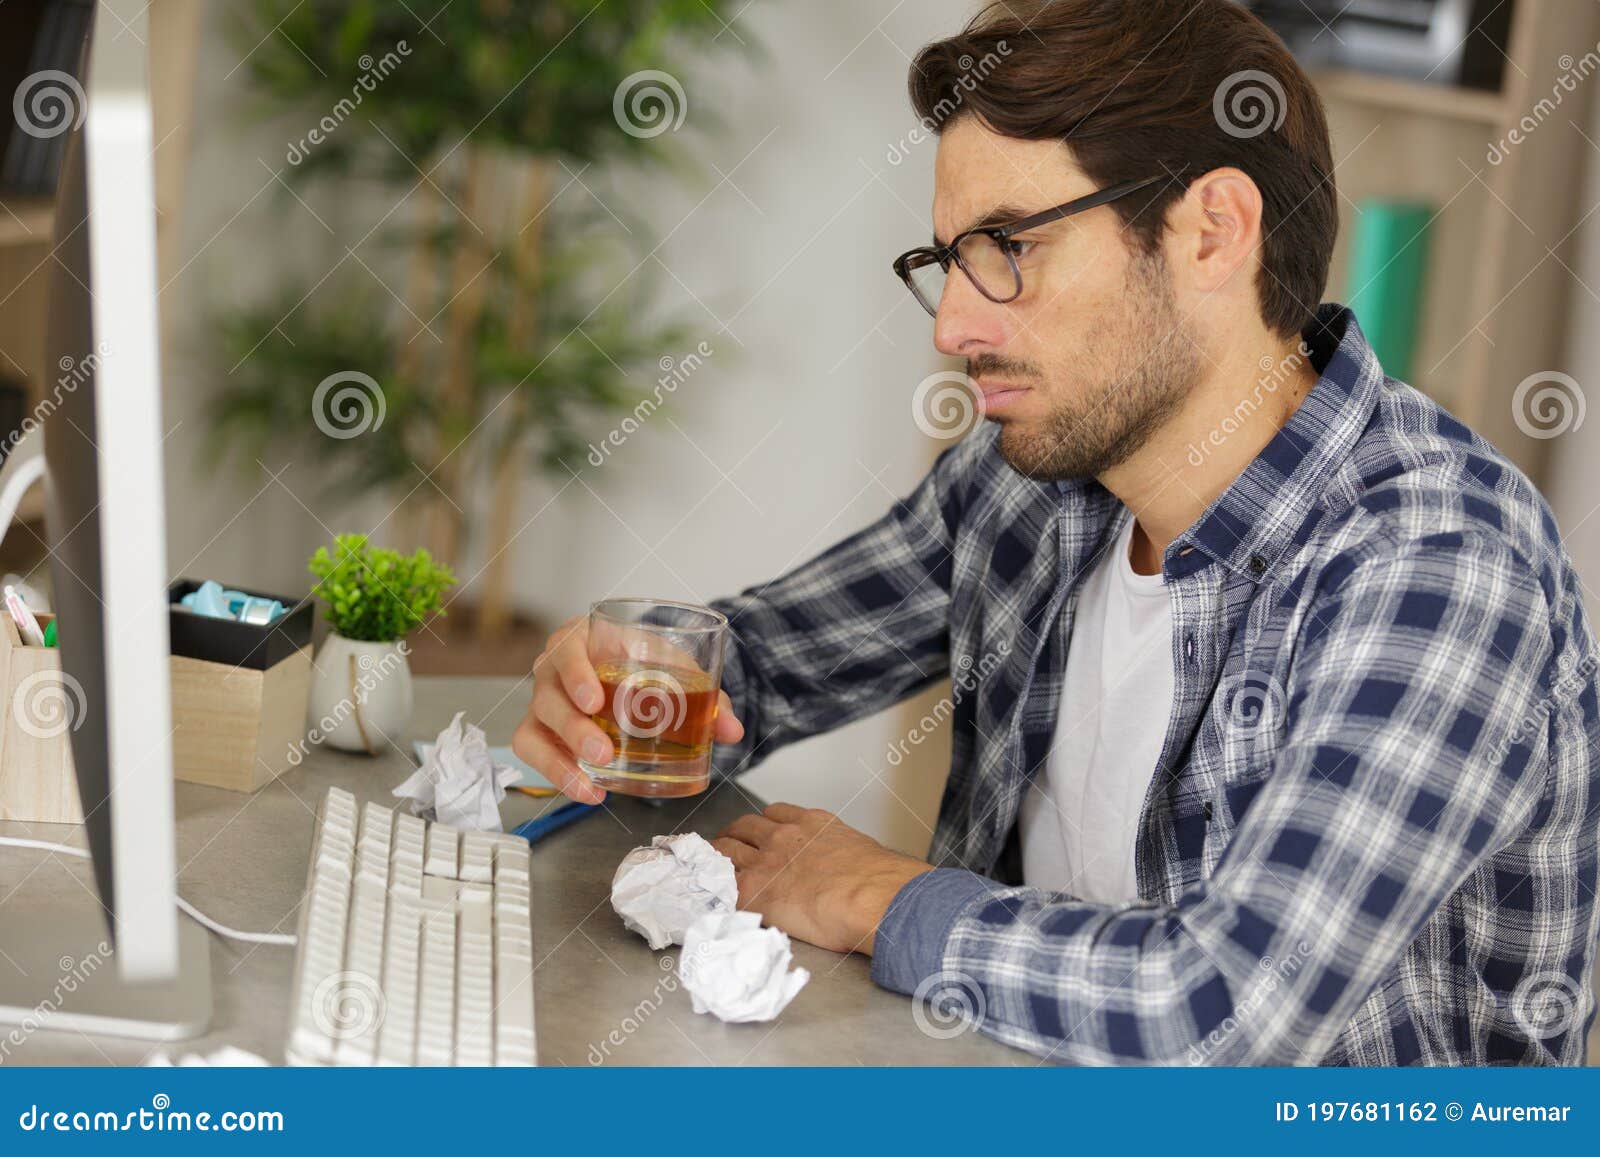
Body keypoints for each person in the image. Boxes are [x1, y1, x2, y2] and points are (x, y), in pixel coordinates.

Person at [514, 0, 1599, 1065]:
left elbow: (1227, 1016)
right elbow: (766, 667)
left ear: (1212, 232)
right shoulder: (1037, 481)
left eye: (1011, 246)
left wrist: (887, 898)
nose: (954, 325)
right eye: (948, 260)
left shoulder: (1440, 562)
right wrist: (629, 693)